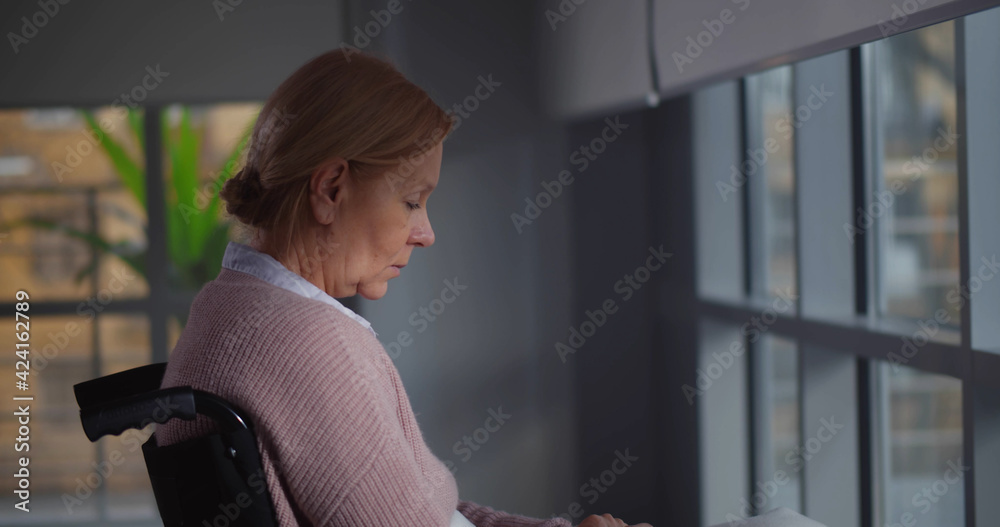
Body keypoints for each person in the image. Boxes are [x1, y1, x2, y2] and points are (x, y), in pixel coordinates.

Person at [157, 49, 651, 527]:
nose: (427, 233)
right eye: (412, 201)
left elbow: (424, 513)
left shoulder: (227, 306)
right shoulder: (304, 345)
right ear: (330, 189)